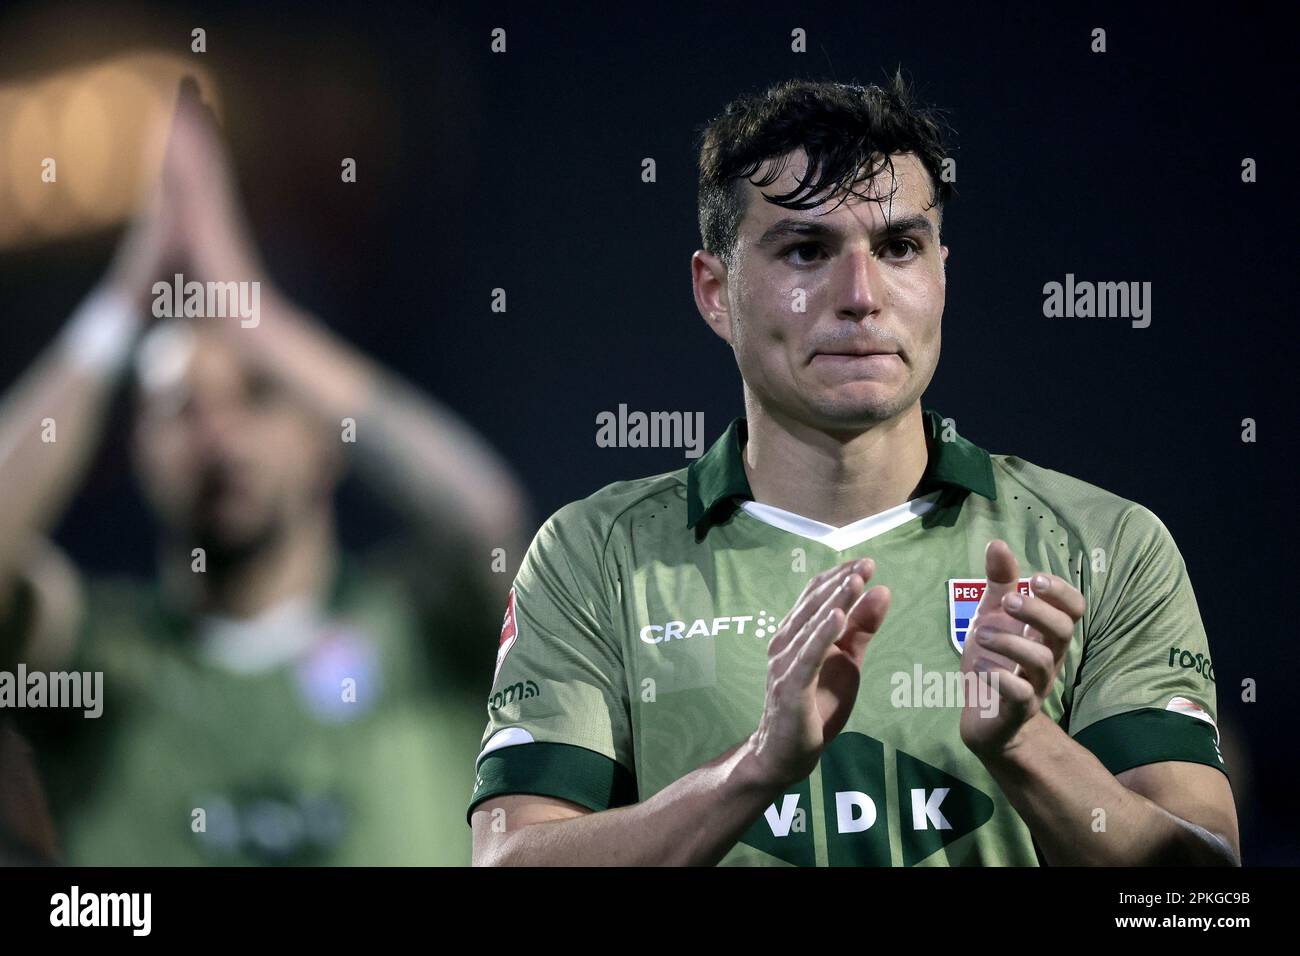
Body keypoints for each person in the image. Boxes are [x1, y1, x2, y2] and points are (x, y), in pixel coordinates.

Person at [468, 74, 1239, 866]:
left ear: (942, 276)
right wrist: (756, 768)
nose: (861, 295)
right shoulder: (593, 555)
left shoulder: (1105, 544)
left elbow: (1199, 902)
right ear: (715, 292)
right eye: (806, 250)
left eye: (898, 247)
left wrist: (1024, 745)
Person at [0, 83, 528, 865]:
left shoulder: (423, 630)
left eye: (257, 396)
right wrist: (120, 302)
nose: (218, 433)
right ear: (138, 449)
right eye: (181, 406)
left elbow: (486, 517)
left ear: (326, 438)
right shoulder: (96, 661)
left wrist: (259, 319)